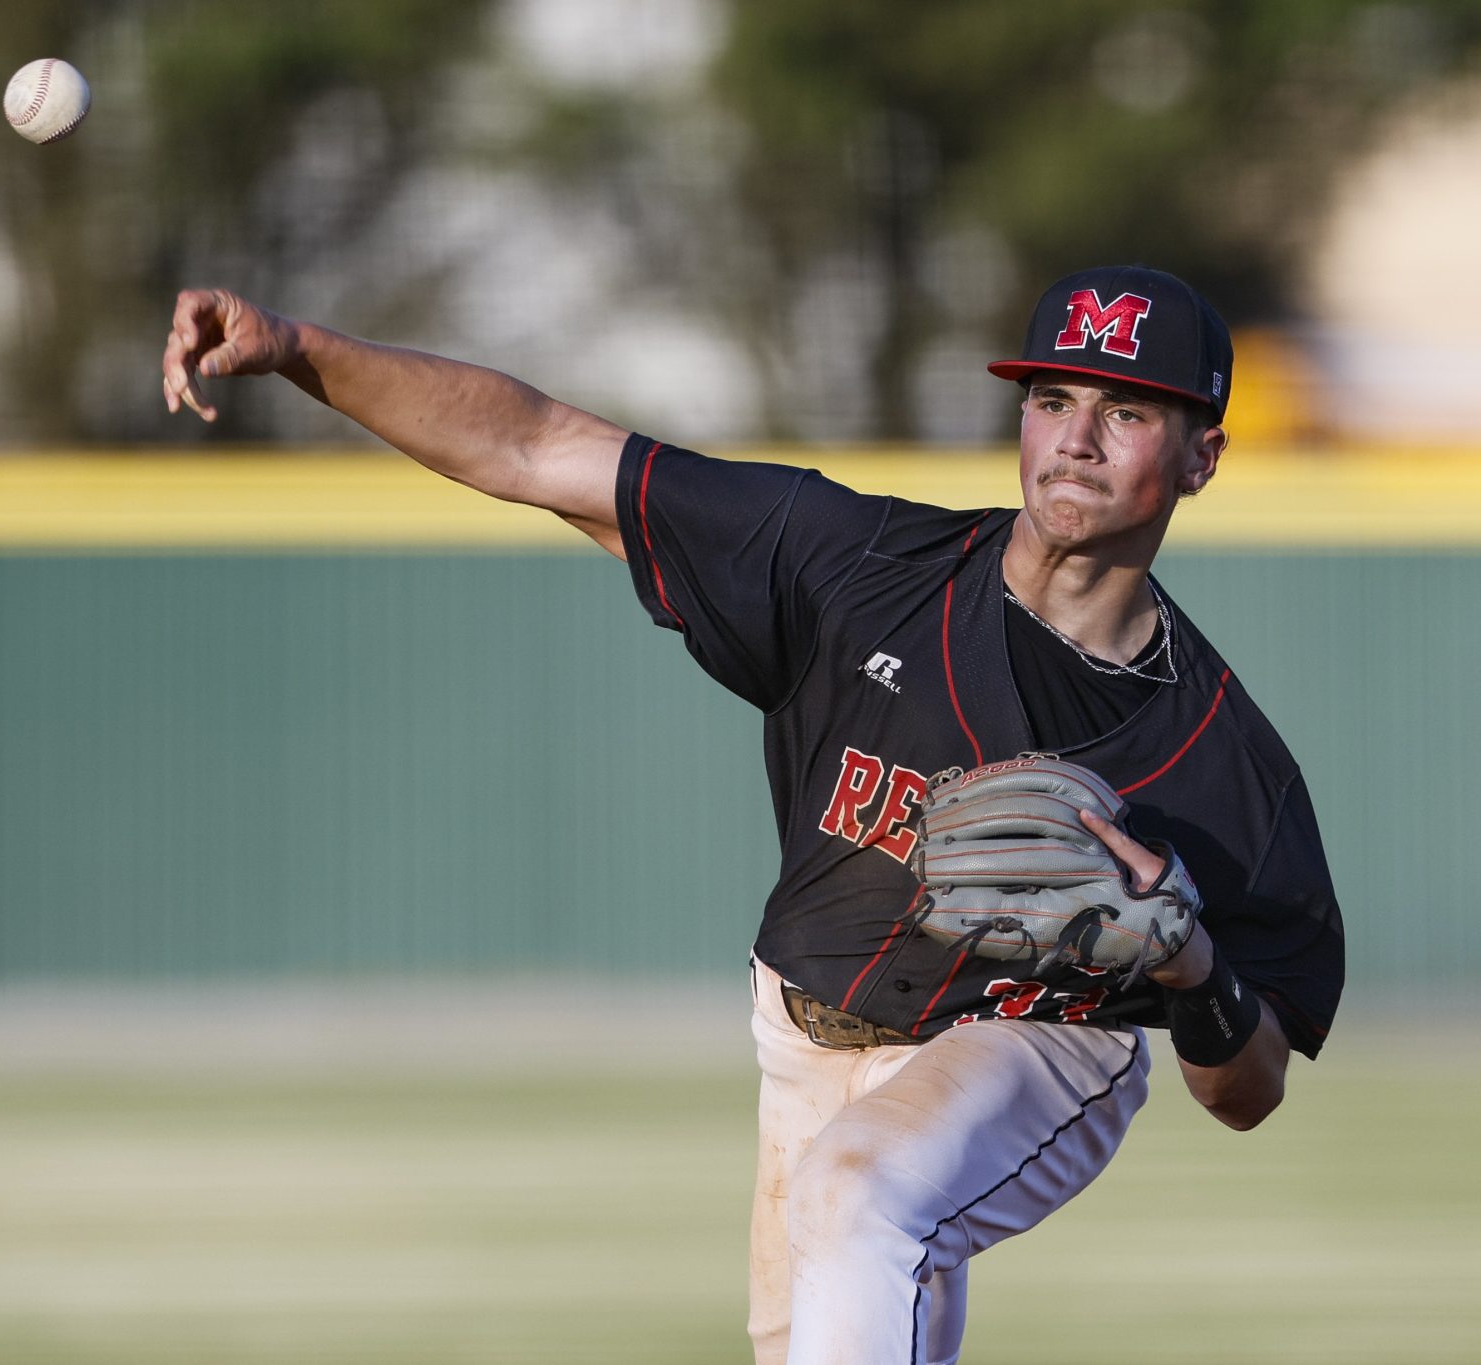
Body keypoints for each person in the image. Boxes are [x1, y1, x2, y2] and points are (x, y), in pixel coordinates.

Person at [161, 263, 1345, 1365]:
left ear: (1200, 457)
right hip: (798, 1039)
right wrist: (297, 348)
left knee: (861, 1191)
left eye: (1127, 412)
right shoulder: (855, 563)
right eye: (1051, 396)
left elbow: (1246, 1090)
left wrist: (1190, 967)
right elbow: (535, 447)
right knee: (836, 1279)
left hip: (1035, 1048)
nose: (1074, 439)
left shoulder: (1217, 763)